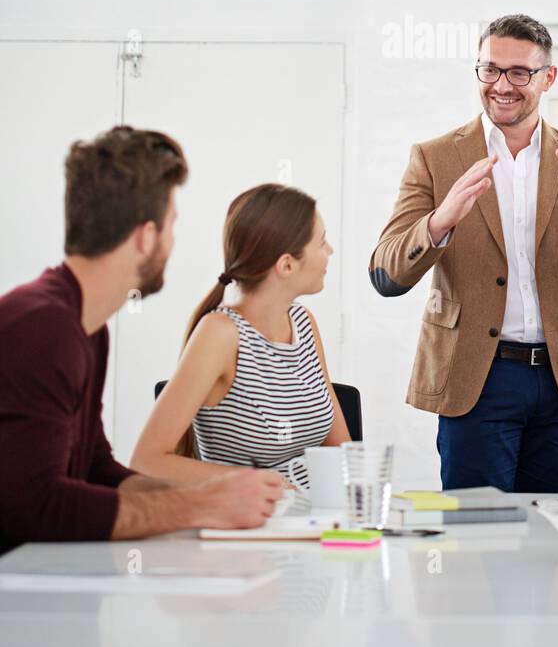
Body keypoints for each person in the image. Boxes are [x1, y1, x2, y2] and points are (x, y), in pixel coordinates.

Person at [369, 12, 558, 493]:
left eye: (520, 73)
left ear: (548, 78)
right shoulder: (435, 157)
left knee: (551, 542)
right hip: (476, 378)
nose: (502, 84)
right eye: (490, 69)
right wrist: (441, 220)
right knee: (476, 536)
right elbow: (386, 274)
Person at [0, 127, 284, 553]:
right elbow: (33, 505)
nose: (172, 242)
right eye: (171, 226)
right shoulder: (45, 328)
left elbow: (95, 470)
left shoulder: (85, 328)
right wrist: (196, 505)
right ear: (145, 236)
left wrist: (217, 496)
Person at [132, 184, 350, 489]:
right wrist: (262, 484)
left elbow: (341, 452)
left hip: (311, 520)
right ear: (287, 264)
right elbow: (147, 462)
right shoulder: (220, 334)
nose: (330, 251)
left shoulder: (303, 322)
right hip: (246, 526)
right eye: (322, 243)